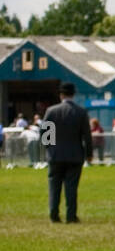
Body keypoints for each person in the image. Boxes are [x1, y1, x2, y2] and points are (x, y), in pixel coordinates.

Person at [42, 82, 93, 223]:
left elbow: (45, 134)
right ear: (73, 94)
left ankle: (54, 215)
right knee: (71, 188)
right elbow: (87, 136)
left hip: (55, 155)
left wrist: (50, 148)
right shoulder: (81, 112)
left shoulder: (51, 111)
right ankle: (71, 216)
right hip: (75, 155)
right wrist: (89, 154)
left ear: (61, 94)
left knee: (54, 187)